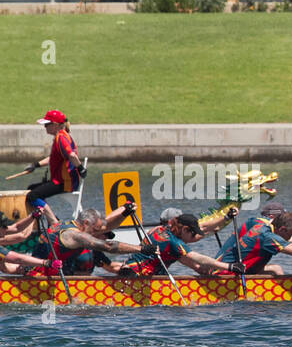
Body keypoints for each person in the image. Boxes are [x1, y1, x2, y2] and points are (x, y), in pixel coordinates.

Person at [2, 206, 139, 276]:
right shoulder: (77, 237)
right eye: (103, 233)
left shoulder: (89, 244)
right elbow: (109, 245)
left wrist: (125, 211)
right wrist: (142, 249)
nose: (103, 235)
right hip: (43, 278)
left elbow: (110, 267)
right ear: (86, 224)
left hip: (59, 277)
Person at [117, 212, 229, 276]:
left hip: (128, 269)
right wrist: (230, 267)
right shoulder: (174, 243)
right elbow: (199, 258)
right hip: (137, 276)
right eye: (193, 233)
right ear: (185, 230)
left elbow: (203, 227)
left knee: (201, 268)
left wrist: (226, 218)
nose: (195, 237)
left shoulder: (161, 229)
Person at [21, 110, 84, 211]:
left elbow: (72, 155)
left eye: (46, 124)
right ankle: (45, 218)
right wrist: (35, 165)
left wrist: (81, 169)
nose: (45, 127)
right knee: (31, 188)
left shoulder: (61, 138)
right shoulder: (60, 136)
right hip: (61, 181)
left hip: (65, 183)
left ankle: (54, 221)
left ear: (54, 125)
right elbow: (54, 158)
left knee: (32, 196)